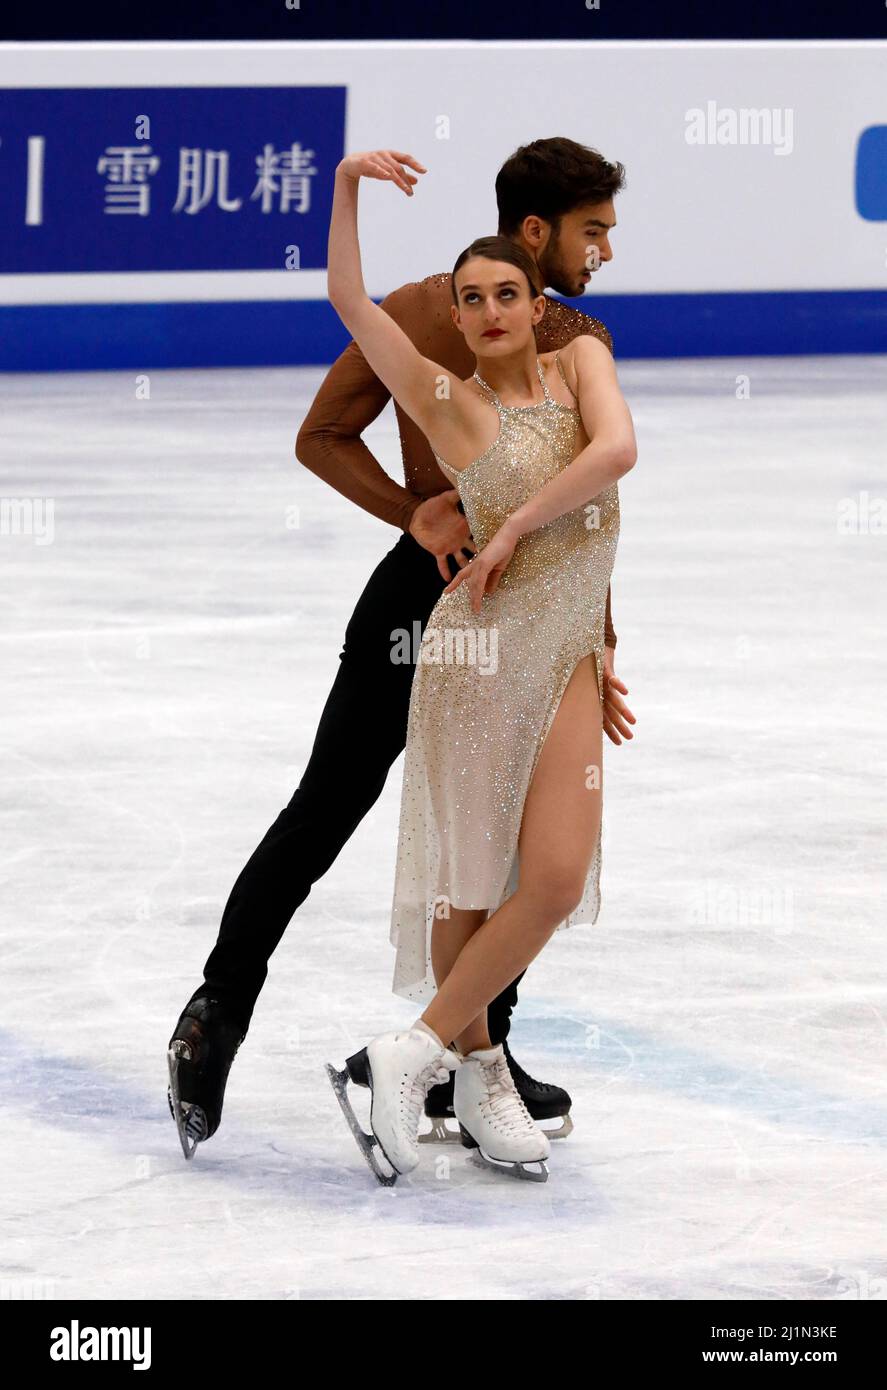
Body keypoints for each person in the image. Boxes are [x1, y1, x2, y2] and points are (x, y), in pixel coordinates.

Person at [167, 136, 636, 1161]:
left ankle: (477, 1058)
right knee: (335, 799)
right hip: (428, 599)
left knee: (507, 827)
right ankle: (219, 1009)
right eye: (590, 229)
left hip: (533, 605)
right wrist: (415, 512)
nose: (603, 249)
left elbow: (586, 510)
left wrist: (595, 637)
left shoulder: (573, 340)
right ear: (532, 228)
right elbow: (321, 434)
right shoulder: (431, 310)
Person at [323, 147, 636, 1185]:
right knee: (468, 886)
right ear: (455, 320)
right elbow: (349, 300)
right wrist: (344, 184)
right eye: (471, 299)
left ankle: (403, 1053)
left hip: (567, 654)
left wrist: (515, 544)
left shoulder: (581, 361)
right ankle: (476, 1068)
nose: (492, 309)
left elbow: (613, 455)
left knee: (547, 879)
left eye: (507, 292)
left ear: (533, 299)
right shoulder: (445, 397)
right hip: (475, 654)